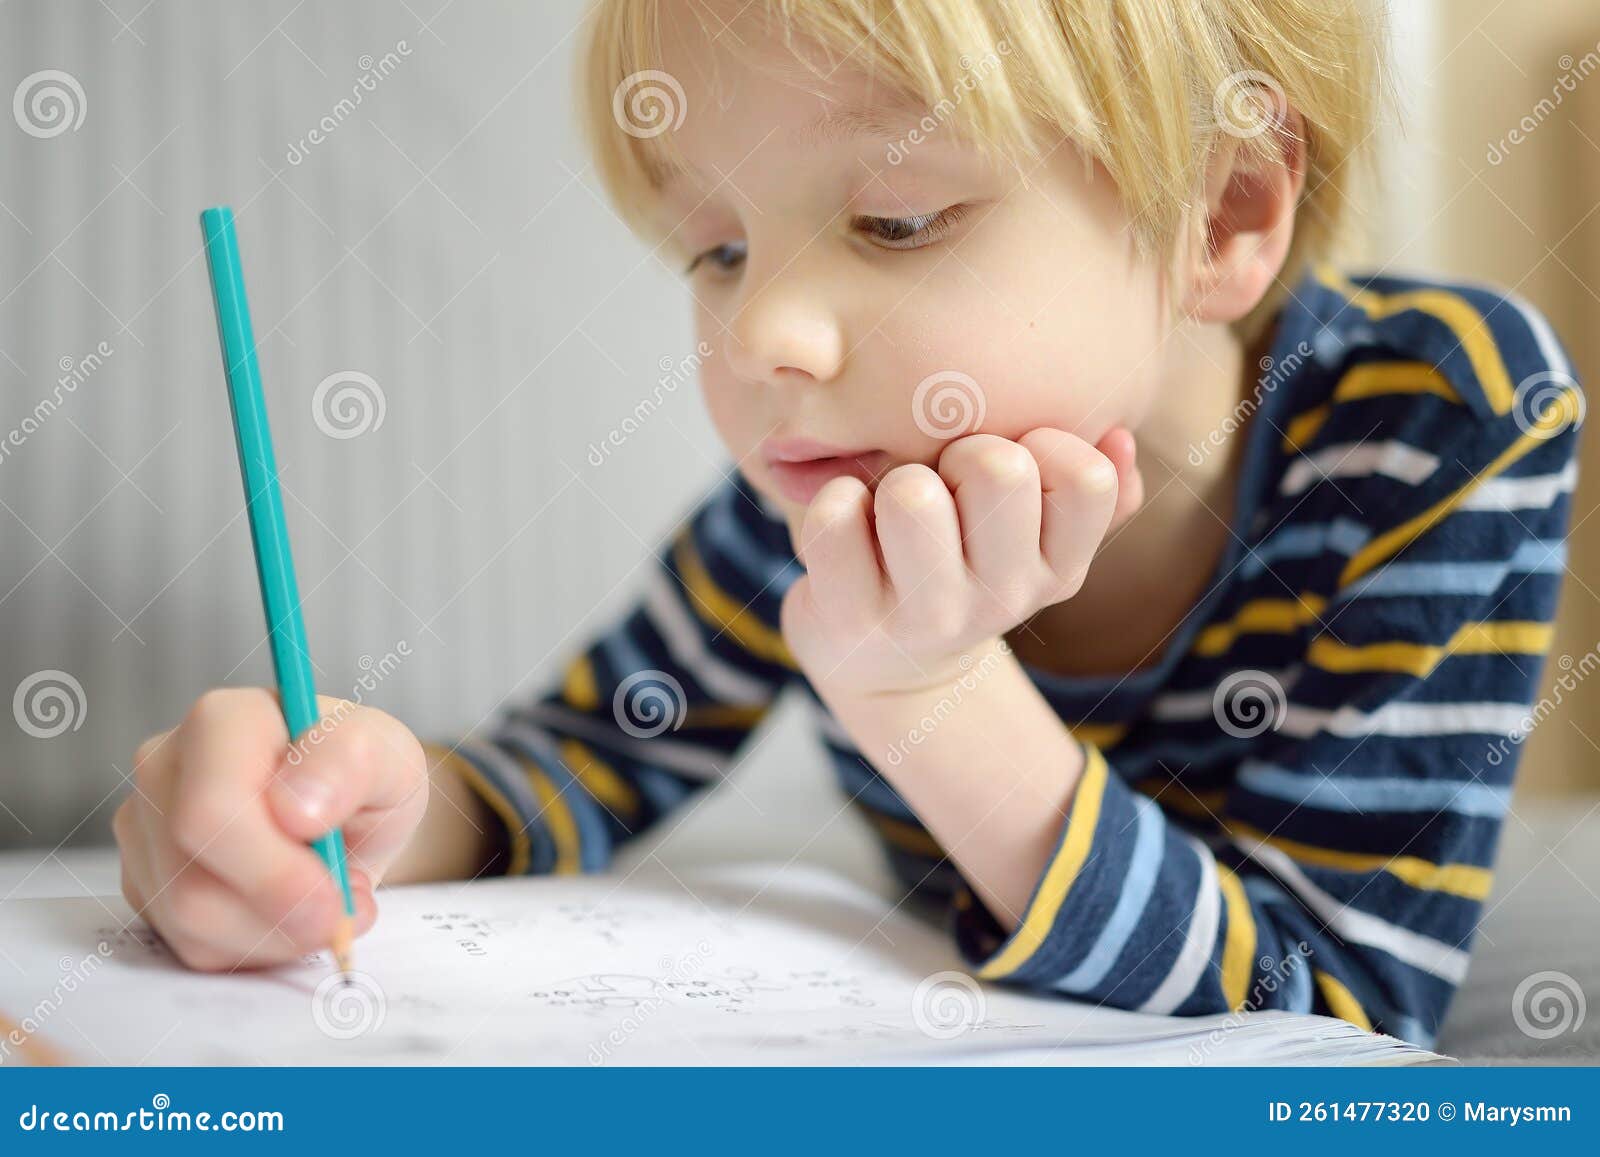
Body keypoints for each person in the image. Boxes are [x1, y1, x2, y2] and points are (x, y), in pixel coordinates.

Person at [115, 0, 1582, 1047]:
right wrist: (356, 807)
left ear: (1224, 213)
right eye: (718, 247)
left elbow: (1344, 1012)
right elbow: (577, 764)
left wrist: (935, 700)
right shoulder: (825, 492)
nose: (765, 334)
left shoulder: (1444, 416)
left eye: (894, 220)